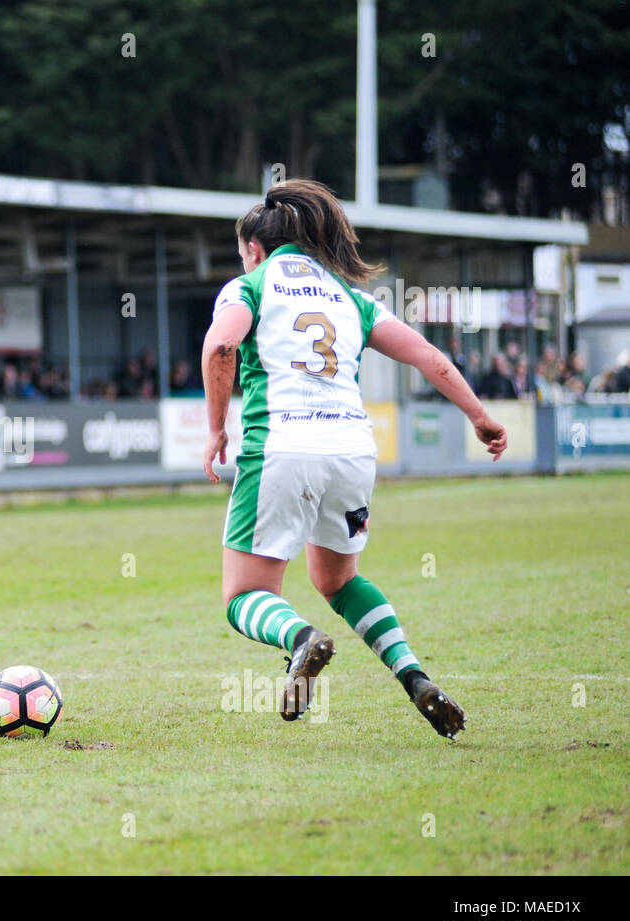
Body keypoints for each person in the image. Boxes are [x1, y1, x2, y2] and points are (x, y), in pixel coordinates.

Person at [201, 179, 507, 741]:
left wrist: (216, 427)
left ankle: (299, 641)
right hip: (352, 452)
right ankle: (414, 677)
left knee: (245, 594)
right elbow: (428, 355)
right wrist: (479, 415)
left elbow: (221, 346)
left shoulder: (249, 286)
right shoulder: (350, 297)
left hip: (281, 448)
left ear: (255, 249)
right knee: (338, 578)